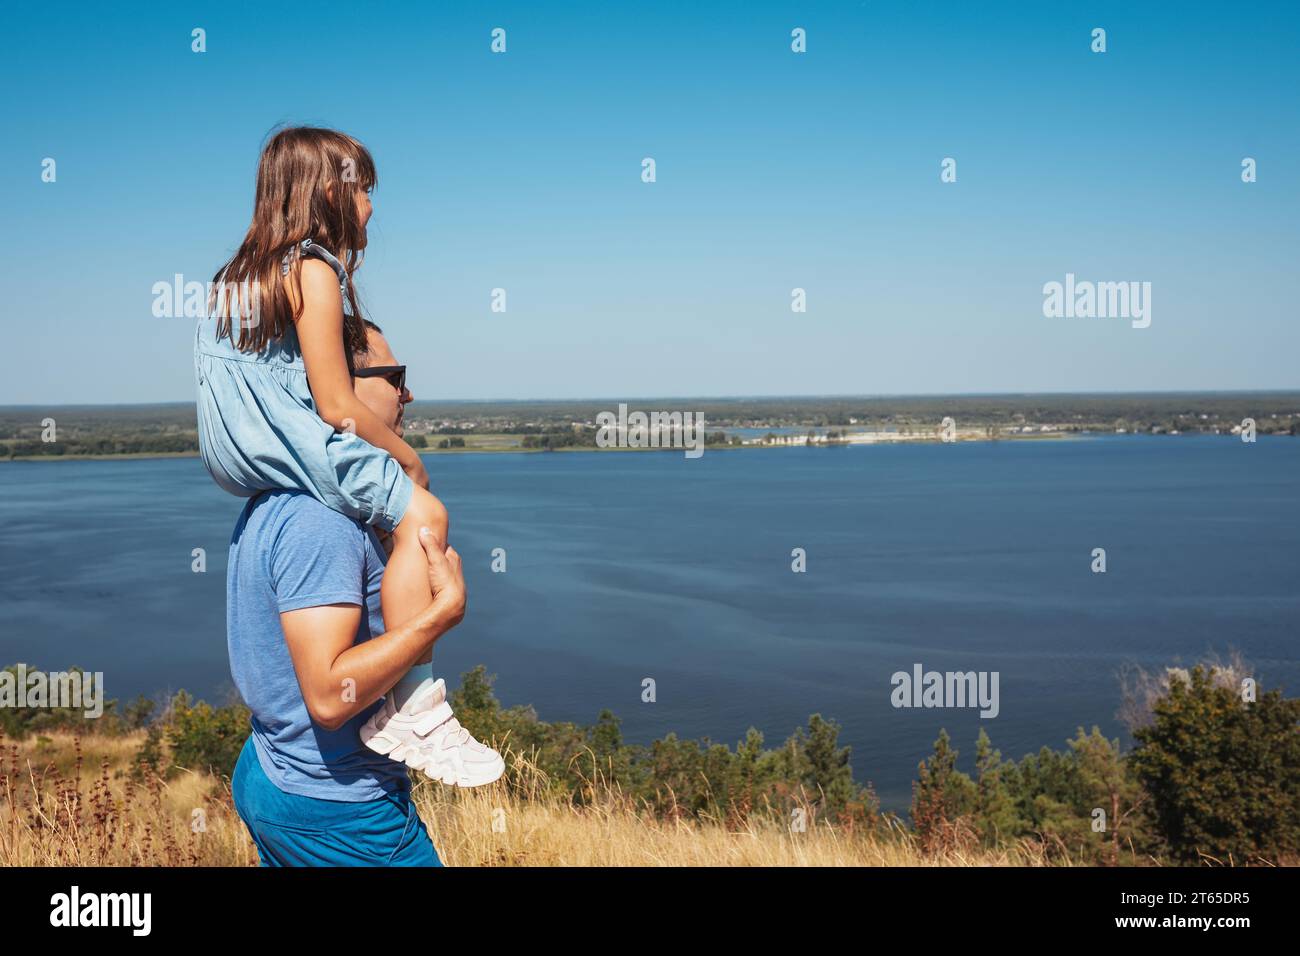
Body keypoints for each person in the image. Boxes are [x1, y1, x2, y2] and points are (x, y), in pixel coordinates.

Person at [195, 125, 499, 782]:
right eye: (362, 190)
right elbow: (336, 405)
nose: (370, 206)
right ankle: (412, 706)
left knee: (404, 518)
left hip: (251, 454)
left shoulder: (233, 282)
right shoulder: (312, 270)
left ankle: (407, 703)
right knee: (426, 516)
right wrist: (407, 461)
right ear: (328, 191)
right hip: (299, 446)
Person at [228, 322, 498, 866]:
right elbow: (330, 697)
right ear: (336, 383)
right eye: (394, 377)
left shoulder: (281, 496)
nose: (407, 393)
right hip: (339, 808)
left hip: (275, 772)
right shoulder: (321, 522)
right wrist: (442, 614)